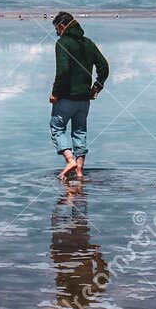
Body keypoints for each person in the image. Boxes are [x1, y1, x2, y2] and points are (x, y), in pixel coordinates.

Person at [48, 10, 109, 182]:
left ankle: (70, 161)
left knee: (57, 128)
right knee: (80, 132)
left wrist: (55, 93)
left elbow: (63, 71)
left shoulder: (63, 43)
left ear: (62, 26)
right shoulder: (88, 43)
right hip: (84, 100)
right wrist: (96, 87)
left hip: (66, 98)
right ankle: (80, 172)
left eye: (56, 29)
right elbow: (104, 67)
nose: (56, 33)